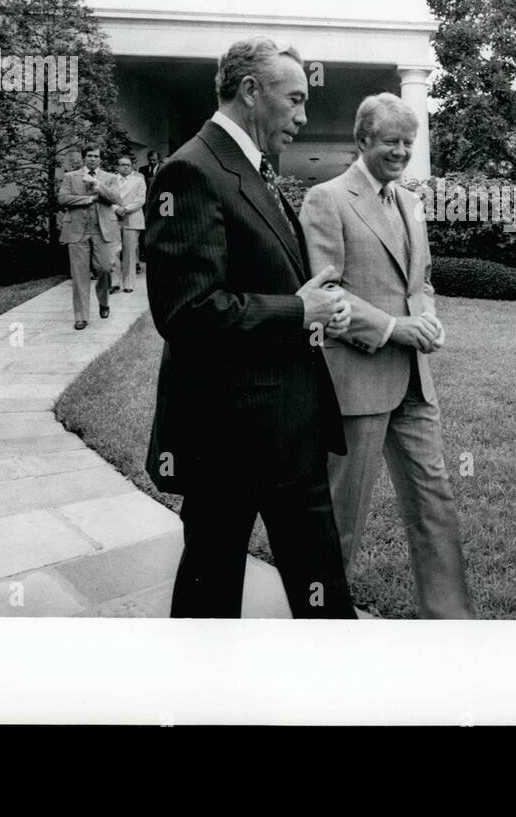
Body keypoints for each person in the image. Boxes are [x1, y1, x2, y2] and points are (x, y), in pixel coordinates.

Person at [144, 35, 358, 619]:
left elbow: (268, 281)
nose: (303, 116)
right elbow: (186, 314)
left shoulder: (250, 167)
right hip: (226, 440)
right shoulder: (191, 171)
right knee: (210, 598)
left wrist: (318, 306)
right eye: (294, 100)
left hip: (292, 430)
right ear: (249, 91)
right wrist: (298, 311)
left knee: (323, 591)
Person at [300, 92, 474, 619]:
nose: (401, 152)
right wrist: (396, 328)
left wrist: (429, 318)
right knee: (342, 512)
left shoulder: (410, 202)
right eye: (391, 142)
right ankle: (322, 622)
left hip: (415, 383)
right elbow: (326, 296)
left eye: (408, 142)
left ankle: (450, 625)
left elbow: (417, 281)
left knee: (434, 499)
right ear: (362, 140)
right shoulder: (326, 199)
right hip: (356, 381)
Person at [57, 144, 122, 329]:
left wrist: (97, 185)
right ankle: (81, 316)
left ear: (100, 159)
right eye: (90, 156)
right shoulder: (71, 176)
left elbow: (115, 198)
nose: (93, 159)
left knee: (105, 268)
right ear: (84, 158)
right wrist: (88, 199)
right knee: (79, 274)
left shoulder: (110, 178)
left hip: (102, 230)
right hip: (77, 229)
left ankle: (104, 301)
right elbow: (63, 199)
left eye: (96, 156)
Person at [110, 154, 147, 293]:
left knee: (130, 253)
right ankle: (114, 282)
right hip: (114, 218)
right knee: (113, 251)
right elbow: (107, 197)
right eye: (122, 164)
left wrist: (125, 209)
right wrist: (116, 209)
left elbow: (141, 199)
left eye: (128, 165)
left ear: (132, 167)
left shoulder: (138, 180)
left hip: (132, 217)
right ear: (117, 166)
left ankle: (129, 284)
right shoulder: (111, 179)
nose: (125, 167)